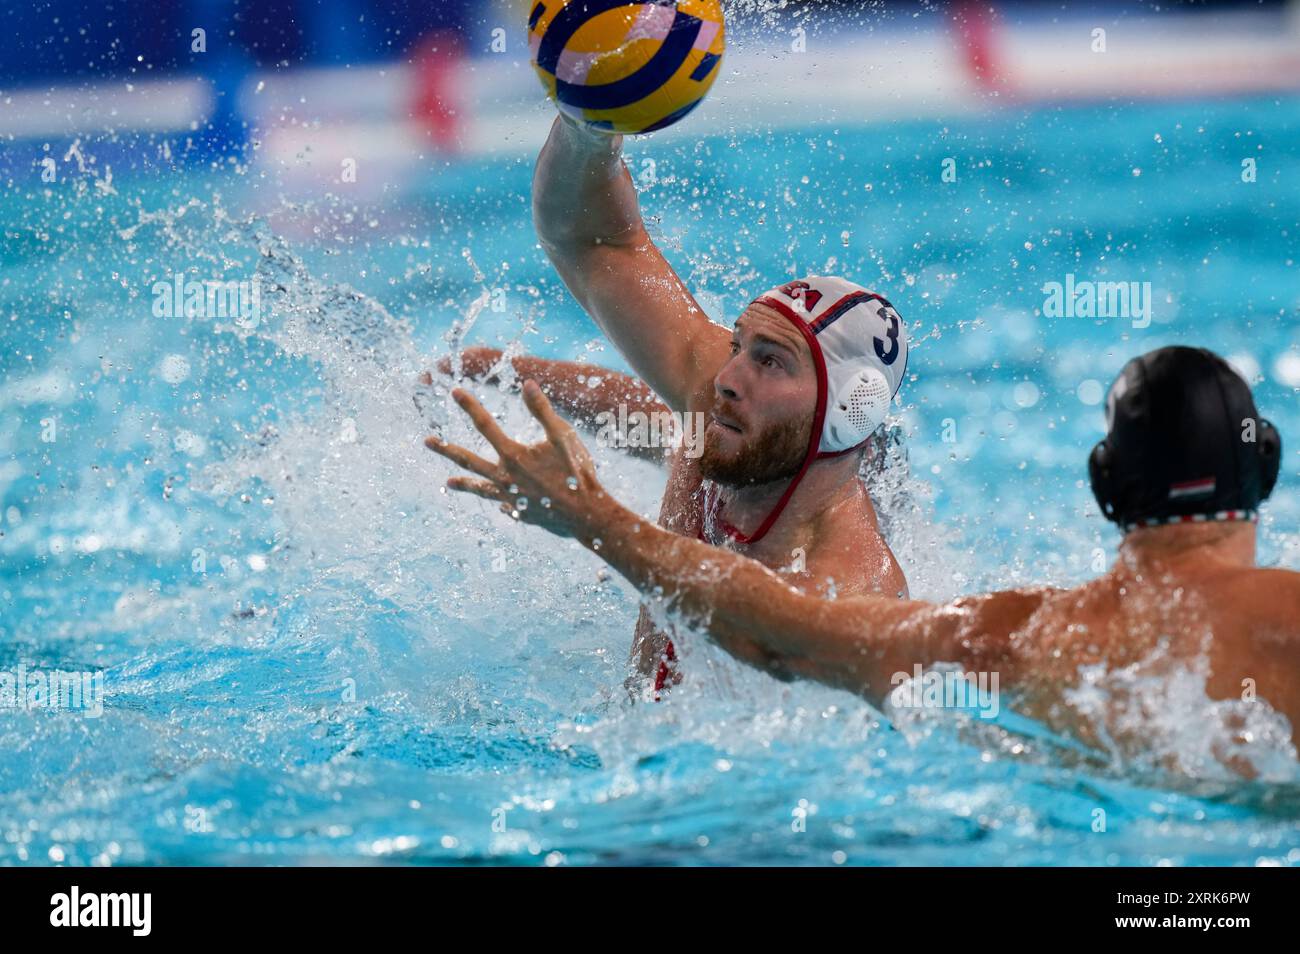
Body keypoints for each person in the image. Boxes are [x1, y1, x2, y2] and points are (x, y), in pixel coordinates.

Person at [425, 345, 1300, 762]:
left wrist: (592, 518)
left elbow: (778, 632)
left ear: (1108, 484)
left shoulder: (1014, 636)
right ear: (1262, 470)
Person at [431, 114, 913, 695]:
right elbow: (592, 237)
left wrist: (588, 517)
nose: (727, 378)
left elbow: (765, 636)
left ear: (849, 411)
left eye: (770, 361)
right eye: (738, 346)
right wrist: (591, 121)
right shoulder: (732, 418)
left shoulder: (857, 585)